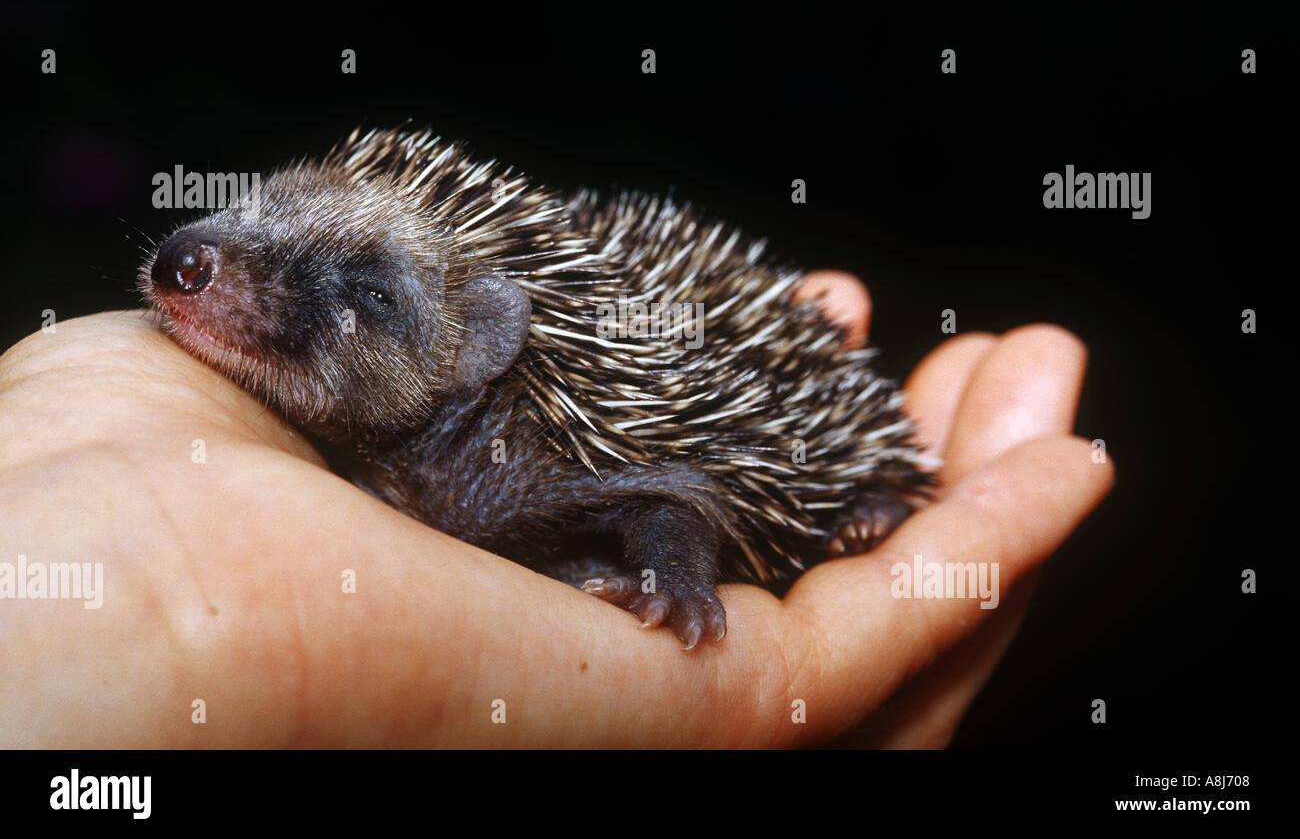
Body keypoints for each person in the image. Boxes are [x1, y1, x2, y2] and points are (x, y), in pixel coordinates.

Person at [0, 273, 1111, 747]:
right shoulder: (339, 436)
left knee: (814, 488)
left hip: (735, 466)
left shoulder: (522, 455)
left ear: (468, 354)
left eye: (362, 294)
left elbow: (671, 487)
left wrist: (675, 581)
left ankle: (869, 498)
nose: (197, 261)